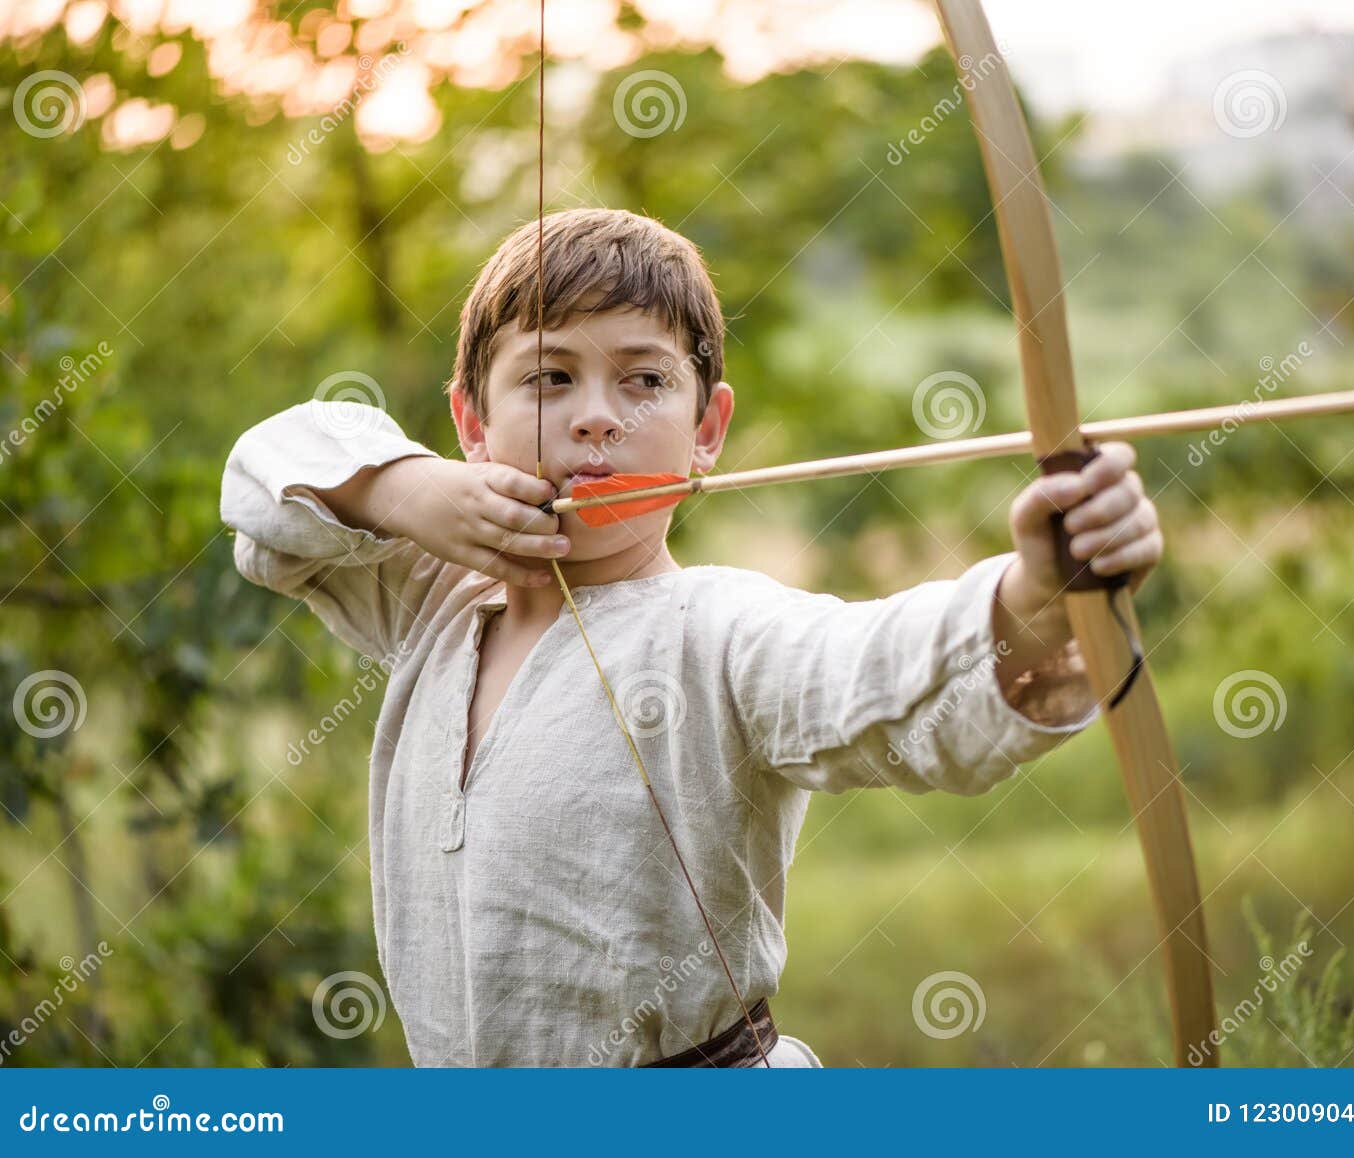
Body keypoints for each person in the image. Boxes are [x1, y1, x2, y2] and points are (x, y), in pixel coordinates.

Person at [219, 207, 1164, 1067]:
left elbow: (871, 673)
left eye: (644, 380)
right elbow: (268, 481)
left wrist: (1038, 590)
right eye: (549, 377)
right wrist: (404, 490)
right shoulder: (431, 596)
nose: (596, 414)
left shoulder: (718, 632)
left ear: (707, 429)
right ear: (471, 420)